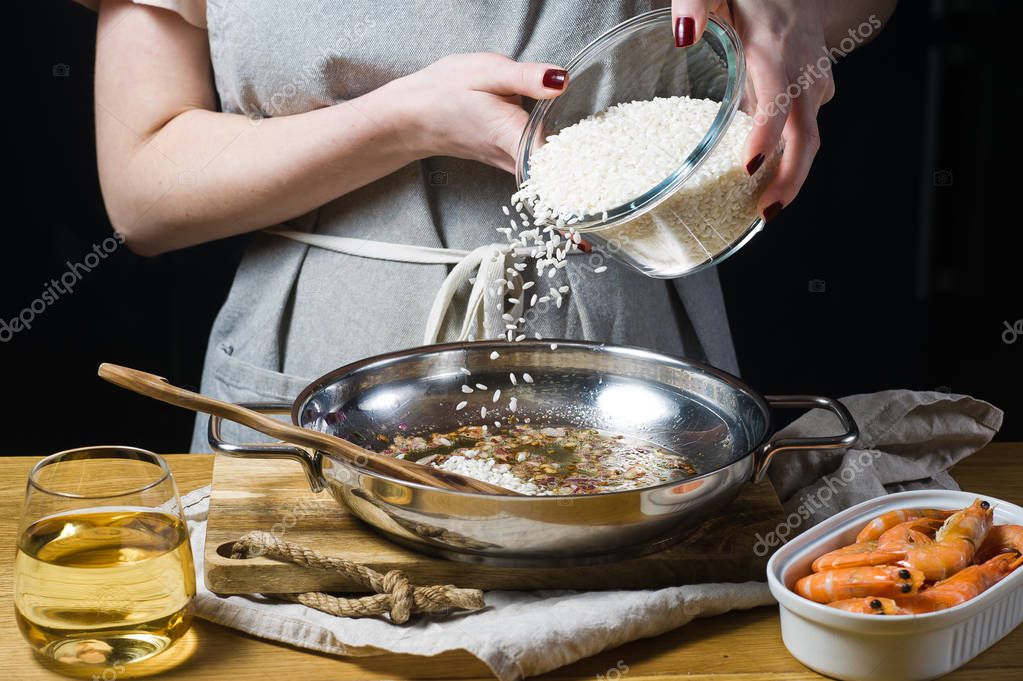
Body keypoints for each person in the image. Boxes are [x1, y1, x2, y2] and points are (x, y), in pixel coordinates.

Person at [78, 0, 895, 451]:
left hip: (638, 379)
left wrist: (790, 10)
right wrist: (401, 122)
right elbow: (144, 193)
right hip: (305, 387)